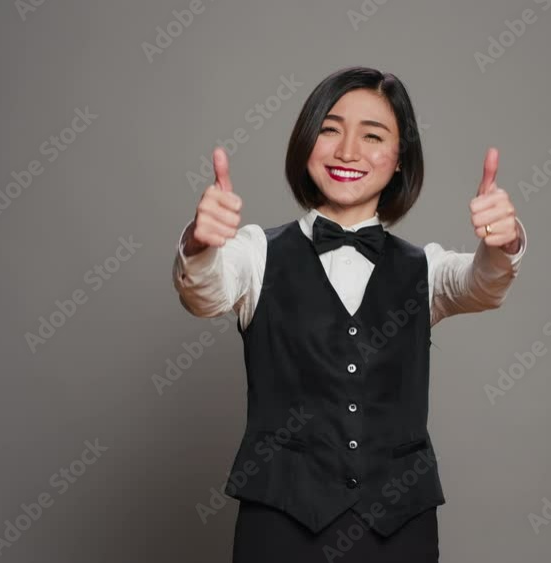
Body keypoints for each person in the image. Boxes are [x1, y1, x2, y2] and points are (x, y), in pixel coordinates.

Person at [172, 66, 526, 563]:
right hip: (280, 525)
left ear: (400, 158)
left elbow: (482, 284)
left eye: (373, 135)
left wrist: (503, 242)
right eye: (330, 129)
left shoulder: (424, 268)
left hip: (401, 529)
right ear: (305, 142)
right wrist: (199, 243)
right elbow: (204, 292)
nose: (347, 152)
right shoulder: (255, 253)